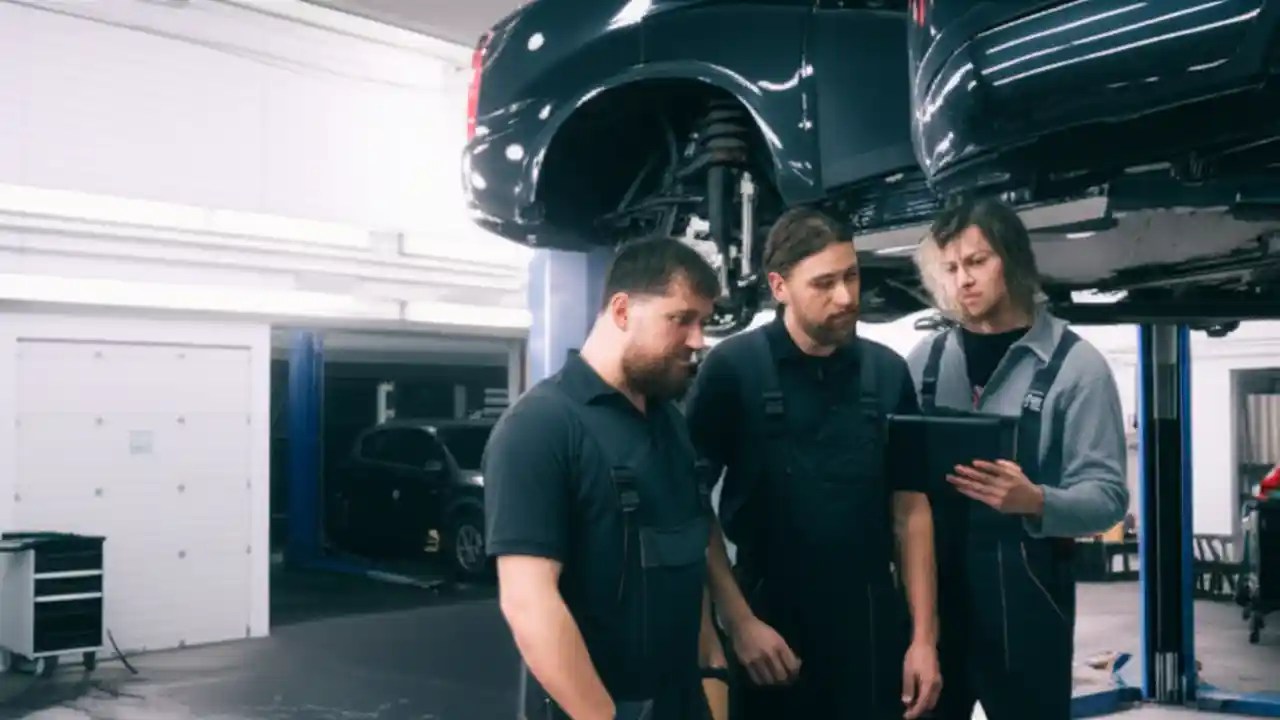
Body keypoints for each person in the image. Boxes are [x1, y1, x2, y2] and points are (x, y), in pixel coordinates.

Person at [685, 207, 944, 720]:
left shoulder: (888, 373)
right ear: (779, 286)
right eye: (824, 283)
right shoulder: (732, 370)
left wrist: (923, 641)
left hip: (869, 622)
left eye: (851, 275)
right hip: (769, 625)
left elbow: (911, 510)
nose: (846, 297)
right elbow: (690, 505)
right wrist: (737, 622)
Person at [482, 237, 727, 720]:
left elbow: (685, 553)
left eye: (704, 322)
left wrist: (713, 673)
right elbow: (528, 601)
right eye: (681, 319)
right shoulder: (540, 428)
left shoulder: (668, 422)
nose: (698, 340)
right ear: (621, 311)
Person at [905, 196, 1130, 720]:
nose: (964, 279)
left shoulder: (1077, 368)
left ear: (1013, 258)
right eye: (952, 267)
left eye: (978, 261)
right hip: (931, 595)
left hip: (1027, 596)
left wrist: (1035, 500)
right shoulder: (927, 363)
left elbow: (1109, 498)